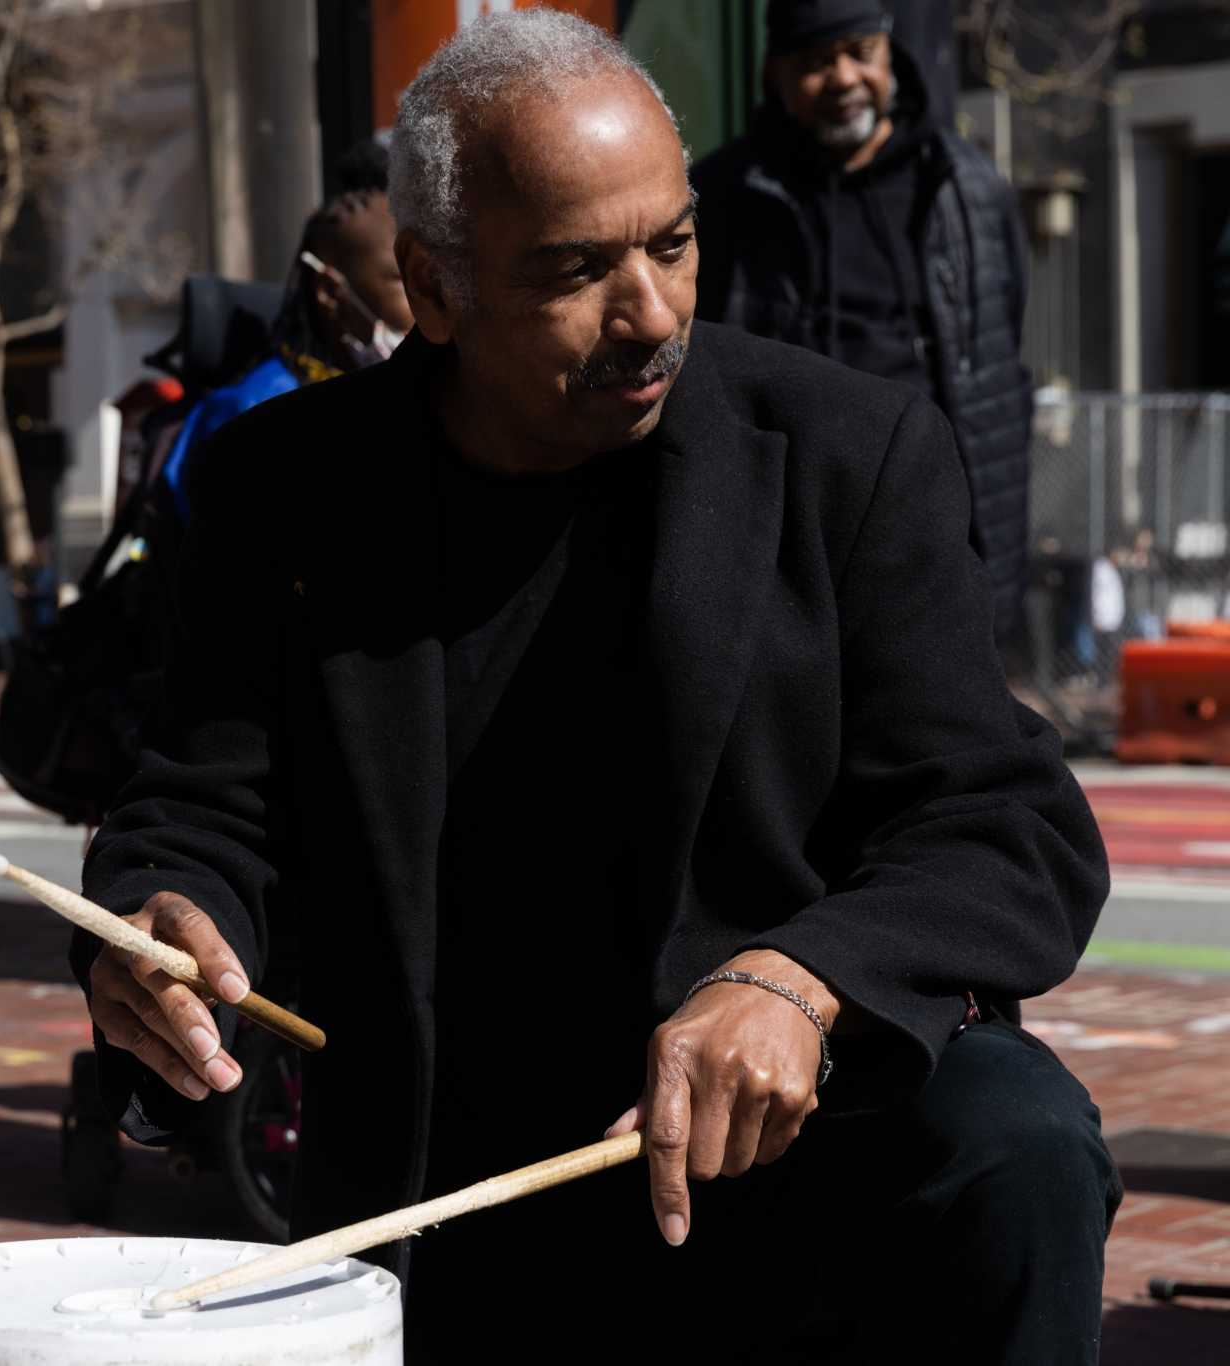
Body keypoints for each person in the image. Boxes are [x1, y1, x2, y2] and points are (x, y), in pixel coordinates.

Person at [73, 11, 1116, 1363]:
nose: (652, 313)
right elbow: (201, 804)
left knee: (1015, 1139)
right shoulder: (286, 488)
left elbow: (1005, 824)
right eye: (577, 270)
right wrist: (167, 922)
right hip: (451, 1174)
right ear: (431, 287)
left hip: (786, 1157)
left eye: (672, 244)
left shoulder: (844, 459)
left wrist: (802, 978)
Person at [691, 0, 1034, 641]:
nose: (844, 78)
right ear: (776, 75)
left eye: (858, 53)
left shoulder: (968, 189)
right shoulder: (724, 198)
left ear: (890, 55)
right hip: (785, 544)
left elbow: (997, 359)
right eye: (817, 62)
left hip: (933, 536)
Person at [160, 152, 417, 523]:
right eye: (401, 279)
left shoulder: (419, 394)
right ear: (330, 292)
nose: (426, 295)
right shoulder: (255, 414)